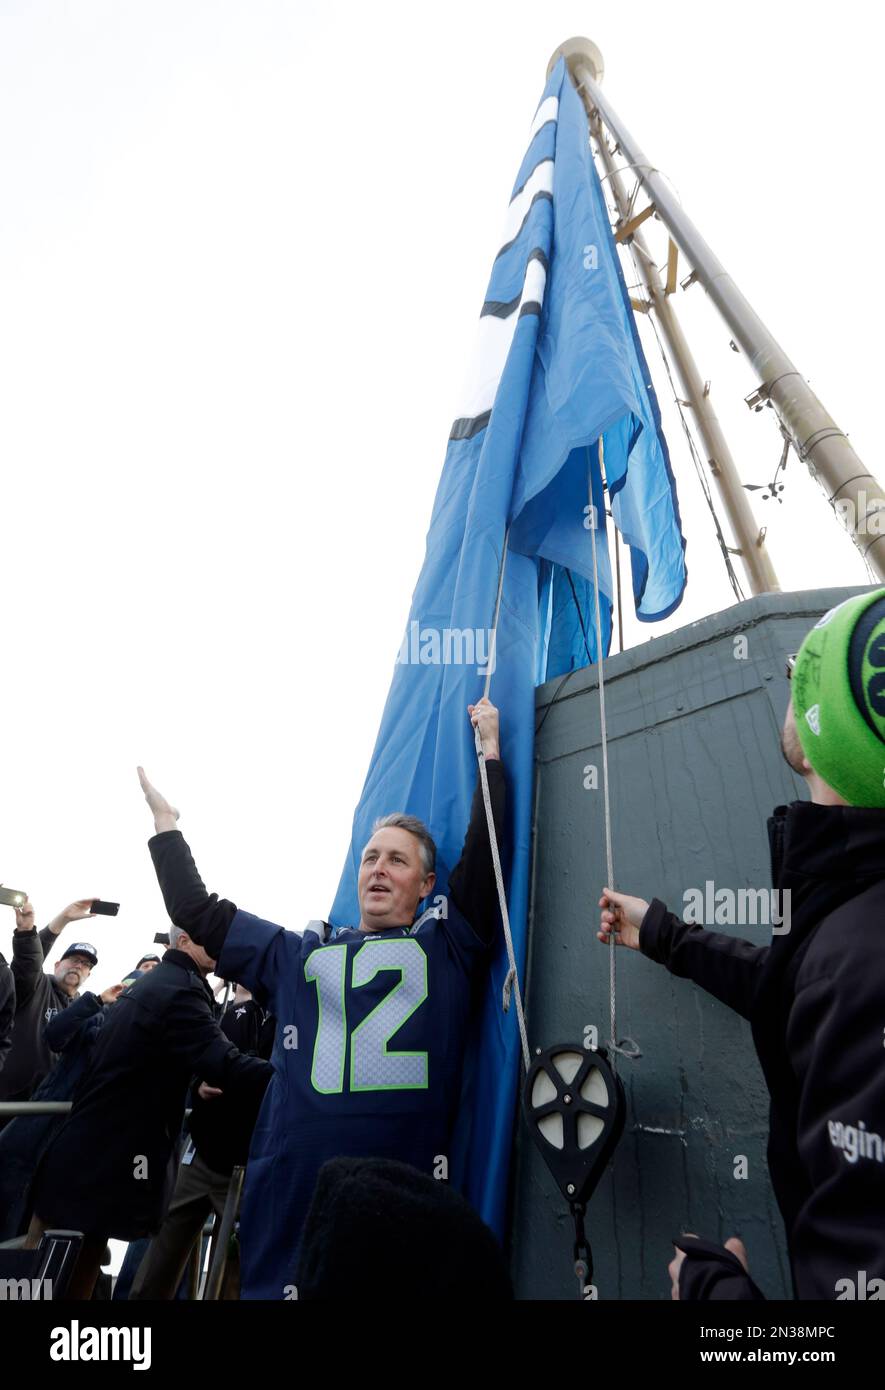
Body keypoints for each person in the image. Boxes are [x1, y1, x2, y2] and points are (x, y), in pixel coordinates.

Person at [138, 696, 506, 1299]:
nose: (379, 869)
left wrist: (490, 752)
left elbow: (487, 859)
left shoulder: (447, 946)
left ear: (428, 884)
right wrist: (167, 827)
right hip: (296, 1206)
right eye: (370, 858)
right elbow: (197, 913)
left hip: (398, 1205)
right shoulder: (298, 955)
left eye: (397, 860)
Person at [599, 589, 885, 1301]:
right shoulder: (853, 930)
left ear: (831, 718)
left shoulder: (859, 962)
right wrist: (667, 936)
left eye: (799, 673)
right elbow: (798, 986)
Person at [24, 925, 272, 1299]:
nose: (223, 945)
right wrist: (292, 1077)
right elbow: (225, 1061)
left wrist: (194, 1080)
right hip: (99, 1164)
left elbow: (151, 1059)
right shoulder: (180, 990)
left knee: (61, 1273)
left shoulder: (154, 985)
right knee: (45, 1280)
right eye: (213, 934)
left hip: (88, 1159)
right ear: (185, 941)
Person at [128, 983, 275, 1299]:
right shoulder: (216, 1010)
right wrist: (199, 1081)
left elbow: (279, 1075)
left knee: (230, 1278)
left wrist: (234, 1071)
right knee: (158, 1262)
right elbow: (191, 1060)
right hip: (200, 1154)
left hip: (248, 1164)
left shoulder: (281, 1013)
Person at [0, 974, 128, 1241]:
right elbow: (54, 1034)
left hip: (82, 1139)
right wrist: (96, 1001)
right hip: (43, 1122)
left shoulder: (143, 1036)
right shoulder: (95, 1014)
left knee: (43, 1215)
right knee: (10, 1189)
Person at [0, 896, 99, 1112]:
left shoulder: (86, 1010)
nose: (78, 966)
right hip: (7, 1097)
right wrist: (59, 920)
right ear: (56, 964)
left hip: (47, 1106)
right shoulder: (36, 985)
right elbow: (30, 960)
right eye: (73, 960)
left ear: (89, 974)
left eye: (85, 964)